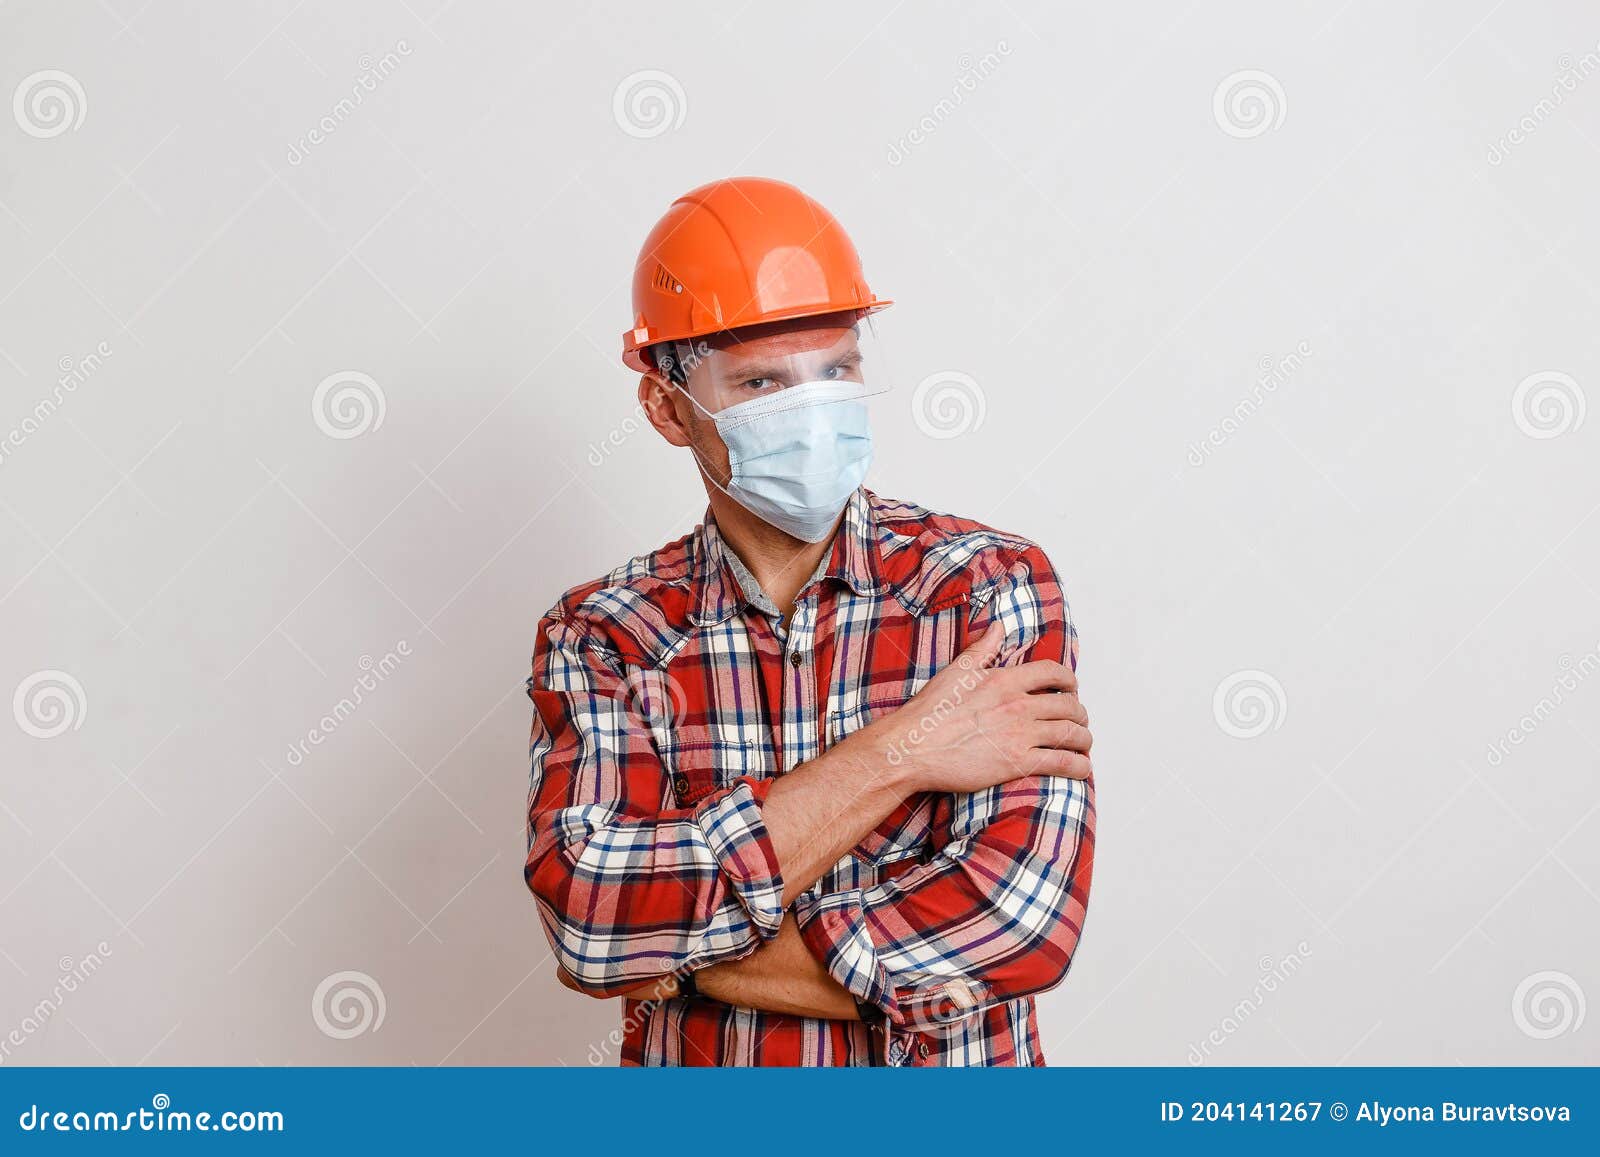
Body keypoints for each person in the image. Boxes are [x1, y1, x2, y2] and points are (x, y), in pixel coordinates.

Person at [524, 177, 1095, 1066]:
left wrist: (678, 956)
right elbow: (589, 920)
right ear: (668, 408)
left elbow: (1018, 923)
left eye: (836, 370)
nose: (813, 409)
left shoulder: (987, 589)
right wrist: (905, 750)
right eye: (761, 381)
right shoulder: (606, 634)